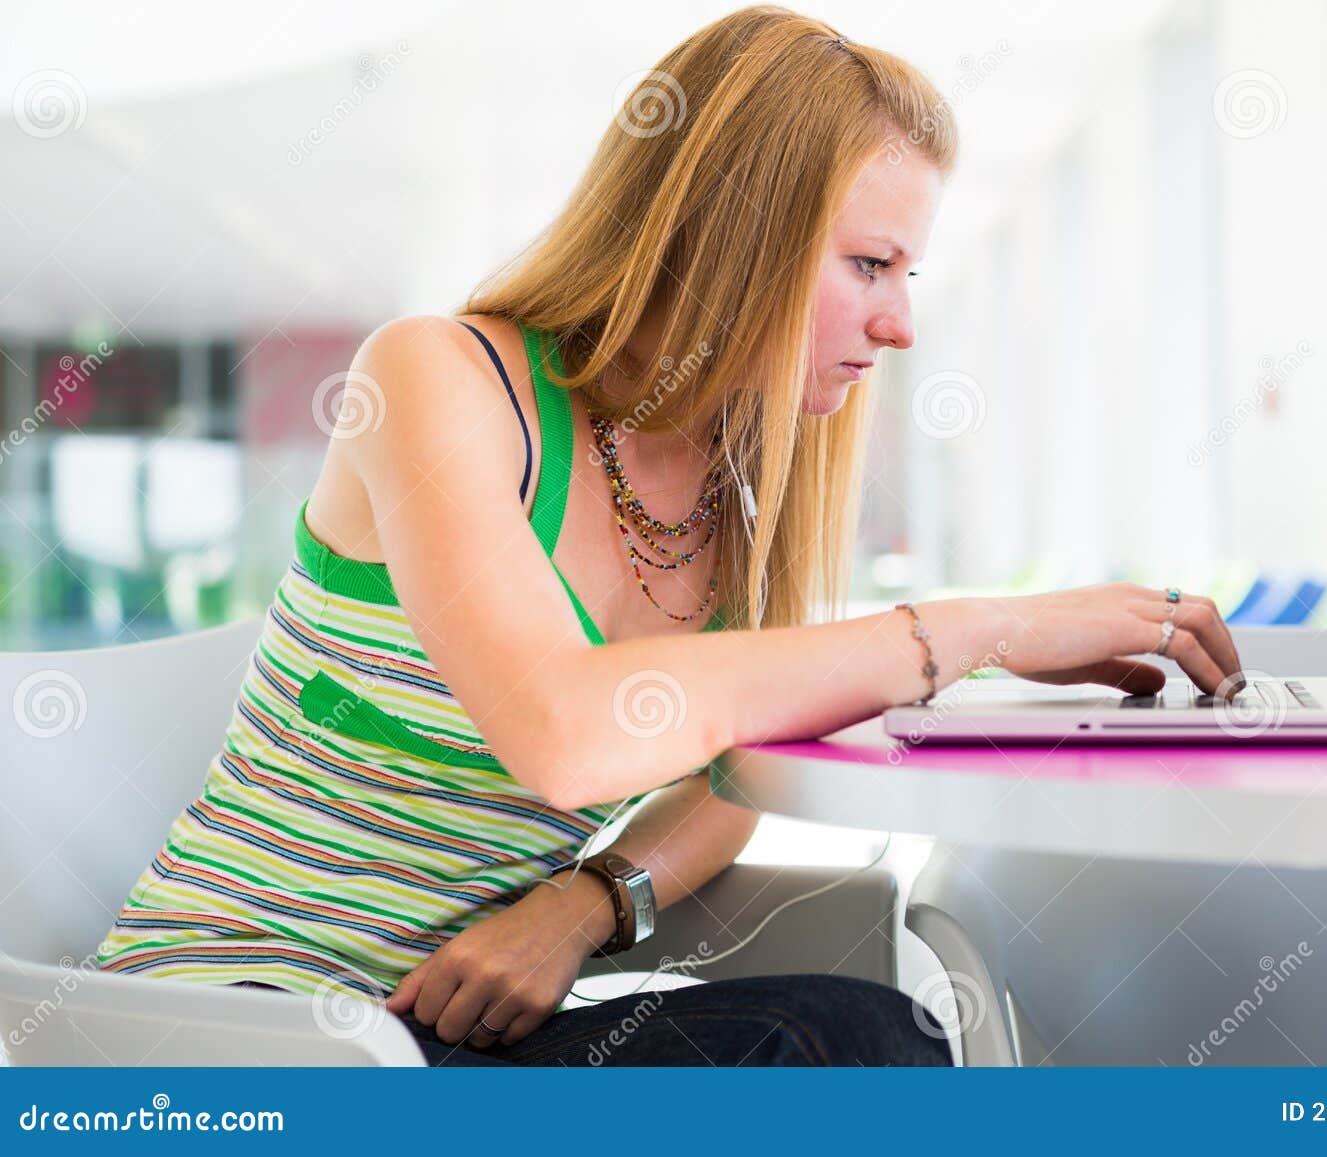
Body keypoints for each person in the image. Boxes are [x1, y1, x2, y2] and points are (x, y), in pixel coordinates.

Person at [94, 4, 1242, 1066]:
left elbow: (734, 777)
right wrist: (985, 627)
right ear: (729, 231)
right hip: (238, 1030)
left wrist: (588, 902)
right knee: (840, 1054)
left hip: (444, 1035)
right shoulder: (436, 377)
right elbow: (565, 731)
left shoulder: (729, 500)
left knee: (859, 1034)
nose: (897, 322)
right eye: (868, 265)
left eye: (906, 273)